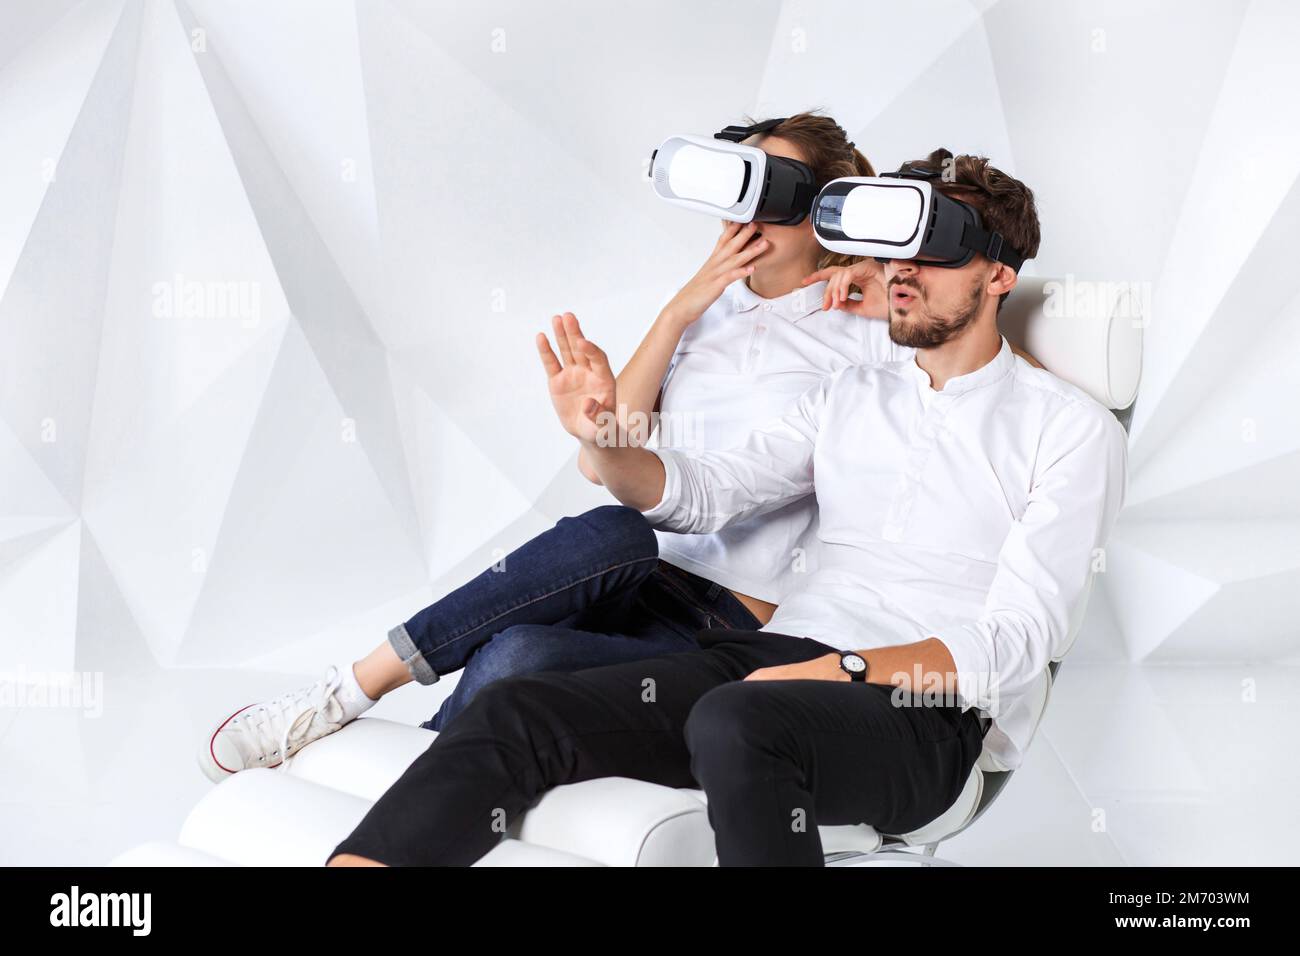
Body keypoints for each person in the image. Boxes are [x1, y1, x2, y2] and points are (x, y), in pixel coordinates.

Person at [325, 149, 1129, 867]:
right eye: (894, 253)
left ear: (998, 276)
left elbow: (1020, 642)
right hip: (775, 660)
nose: (904, 272)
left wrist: (848, 669)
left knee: (737, 721)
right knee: (522, 705)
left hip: (924, 712)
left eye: (937, 251)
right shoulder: (851, 392)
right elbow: (708, 492)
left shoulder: (1070, 429)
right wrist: (607, 439)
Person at [198, 112, 923, 781]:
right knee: (616, 529)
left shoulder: (872, 337)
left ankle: (418, 774)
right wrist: (674, 315)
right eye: (741, 189)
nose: (747, 217)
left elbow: (991, 350)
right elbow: (600, 463)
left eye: (775, 195)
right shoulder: (709, 313)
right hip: (629, 568)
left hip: (720, 620)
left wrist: (879, 271)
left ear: (825, 213)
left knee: (516, 654)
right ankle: (338, 695)